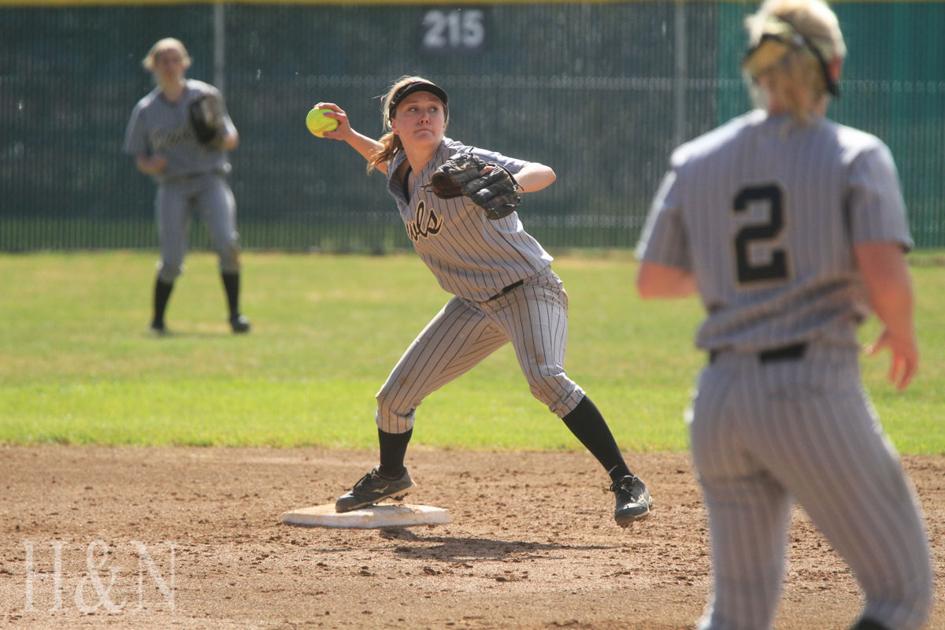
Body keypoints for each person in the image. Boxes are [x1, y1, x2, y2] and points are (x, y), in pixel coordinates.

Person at [635, 1, 933, 628]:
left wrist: (733, 276)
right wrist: (901, 331)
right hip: (809, 391)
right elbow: (885, 275)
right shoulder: (856, 154)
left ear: (759, 69)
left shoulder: (699, 157)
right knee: (900, 596)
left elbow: (654, 279)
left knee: (736, 612)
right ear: (834, 64)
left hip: (718, 401)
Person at [314, 76, 652, 527]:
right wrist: (348, 135)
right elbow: (384, 156)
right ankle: (391, 474)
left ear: (445, 120)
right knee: (393, 399)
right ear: (394, 123)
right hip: (473, 304)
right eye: (412, 109)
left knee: (546, 379)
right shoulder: (401, 167)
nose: (424, 115)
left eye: (433, 108)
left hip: (529, 287)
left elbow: (543, 171)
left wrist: (508, 182)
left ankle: (626, 481)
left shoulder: (461, 160)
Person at [123, 37, 250, 335]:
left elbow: (231, 138)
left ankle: (235, 316)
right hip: (173, 185)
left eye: (174, 59)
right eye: (163, 60)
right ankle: (157, 321)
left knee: (227, 243)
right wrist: (149, 164)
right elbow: (139, 155)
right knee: (171, 258)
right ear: (152, 66)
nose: (169, 65)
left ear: (184, 63)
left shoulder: (204, 96)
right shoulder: (146, 109)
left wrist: (217, 136)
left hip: (210, 178)